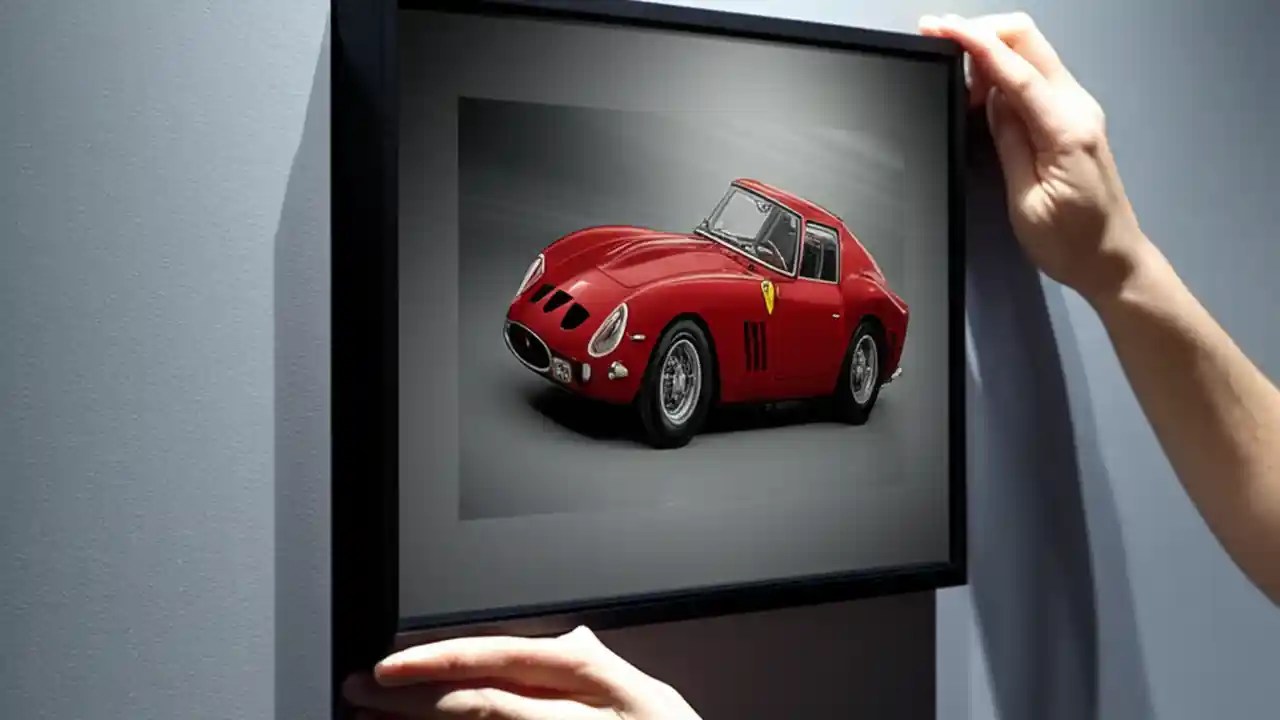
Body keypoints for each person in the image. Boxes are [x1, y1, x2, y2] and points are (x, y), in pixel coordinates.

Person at [343, 12, 1280, 718]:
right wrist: (1117, 263)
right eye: (740, 220)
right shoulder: (688, 242)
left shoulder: (845, 291)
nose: (742, 237)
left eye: (768, 235)